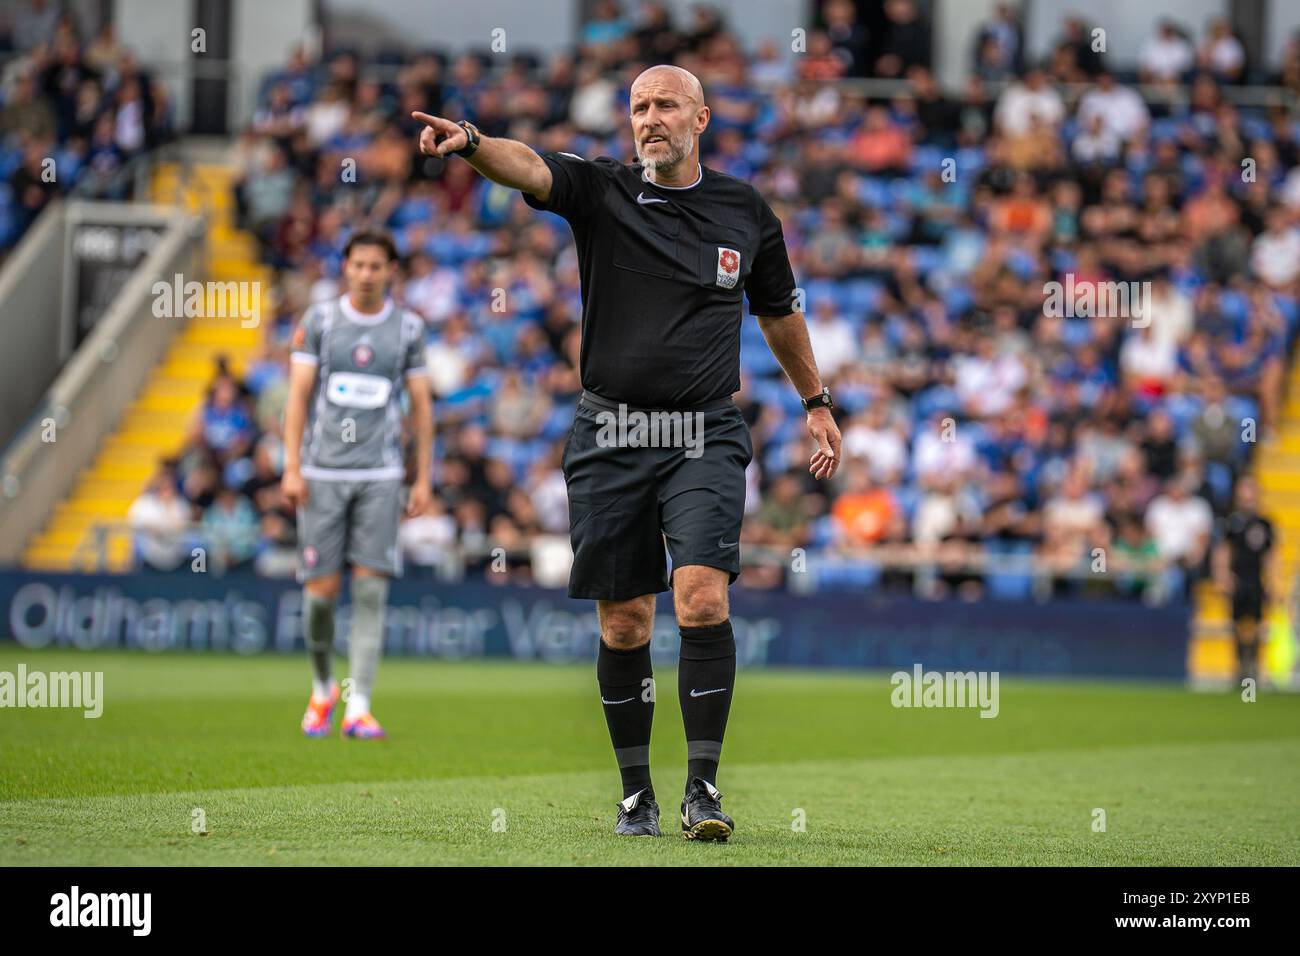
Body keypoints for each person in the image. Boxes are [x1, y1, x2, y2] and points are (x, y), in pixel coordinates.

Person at [412, 64, 840, 840]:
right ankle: (636, 793)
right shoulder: (602, 190)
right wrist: (471, 143)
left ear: (701, 117)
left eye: (666, 105)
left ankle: (702, 791)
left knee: (703, 596)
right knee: (624, 623)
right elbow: (531, 164)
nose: (650, 118)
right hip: (611, 433)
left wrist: (815, 401)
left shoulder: (745, 211)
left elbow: (779, 313)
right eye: (639, 107)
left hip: (703, 431)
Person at [281, 230, 433, 739]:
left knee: (370, 593)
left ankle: (359, 705)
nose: (367, 274)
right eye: (359, 265)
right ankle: (324, 687)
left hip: (380, 475)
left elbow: (421, 408)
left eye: (376, 266)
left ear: (392, 270)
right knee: (320, 596)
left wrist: (423, 477)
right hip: (322, 472)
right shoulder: (320, 320)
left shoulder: (408, 328)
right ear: (345, 268)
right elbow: (298, 397)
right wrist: (291, 466)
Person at [1214, 477, 1274, 686]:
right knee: (1237, 623)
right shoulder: (1231, 522)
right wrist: (1223, 575)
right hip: (1238, 579)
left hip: (1256, 579)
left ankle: (1254, 667)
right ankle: (1239, 667)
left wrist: (1272, 581)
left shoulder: (1265, 523)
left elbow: (1270, 555)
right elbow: (1223, 550)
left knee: (1257, 623)